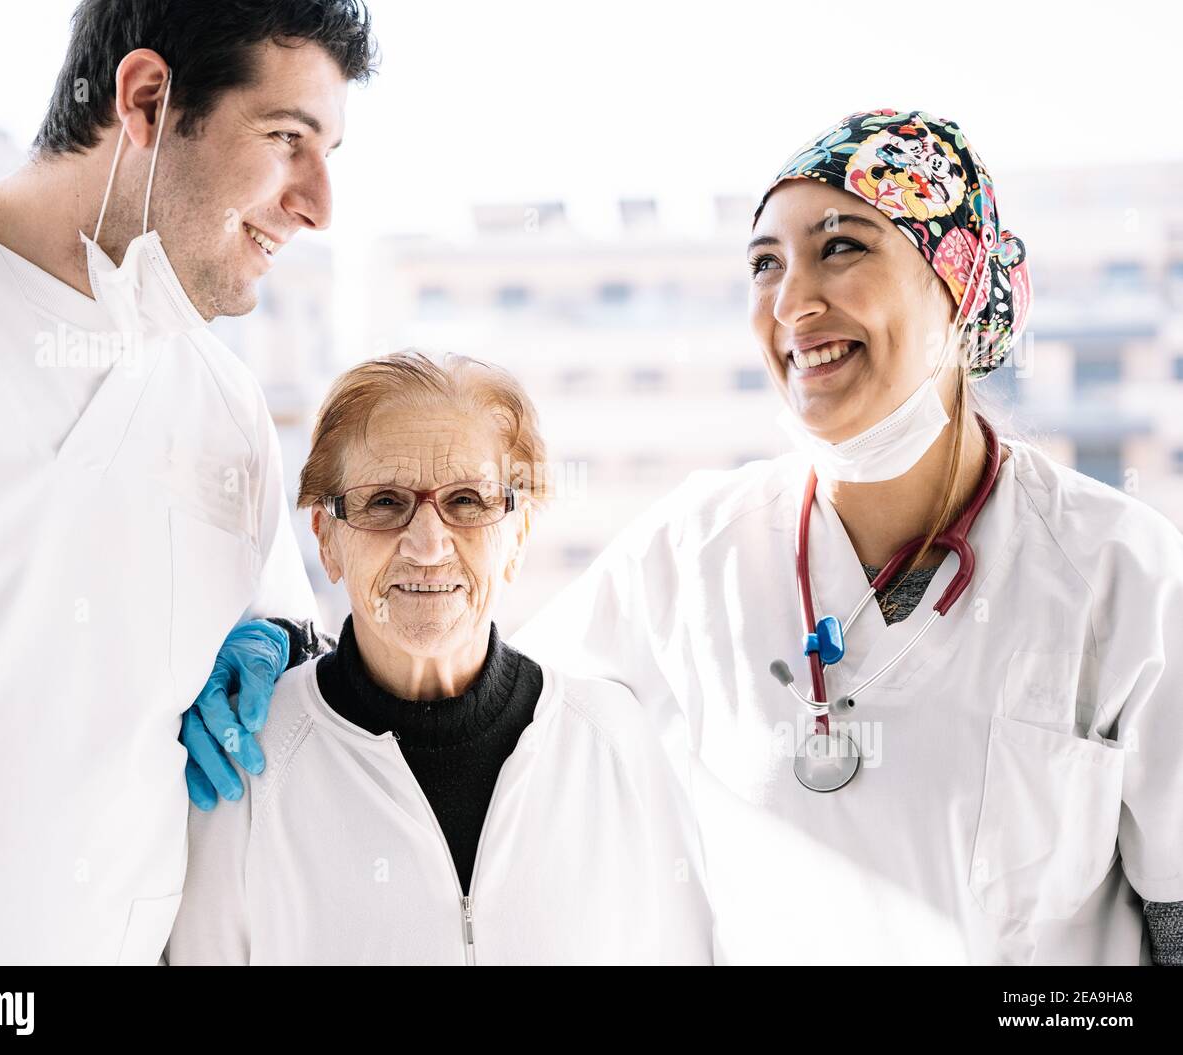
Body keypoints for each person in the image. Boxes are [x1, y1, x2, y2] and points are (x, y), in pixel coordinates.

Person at [507, 110, 1183, 965]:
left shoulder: (1119, 572)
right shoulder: (689, 557)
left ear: (958, 284)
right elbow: (493, 739)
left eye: (841, 247)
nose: (792, 304)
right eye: (765, 264)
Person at [0, 0, 376, 965]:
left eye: (328, 155)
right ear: (148, 98)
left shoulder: (227, 410)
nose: (319, 205)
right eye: (287, 139)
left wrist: (274, 644)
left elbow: (280, 646)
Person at [165, 352, 715, 965]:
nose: (428, 546)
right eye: (383, 501)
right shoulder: (249, 762)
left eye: (467, 500)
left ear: (517, 536)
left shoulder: (611, 741)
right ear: (326, 539)